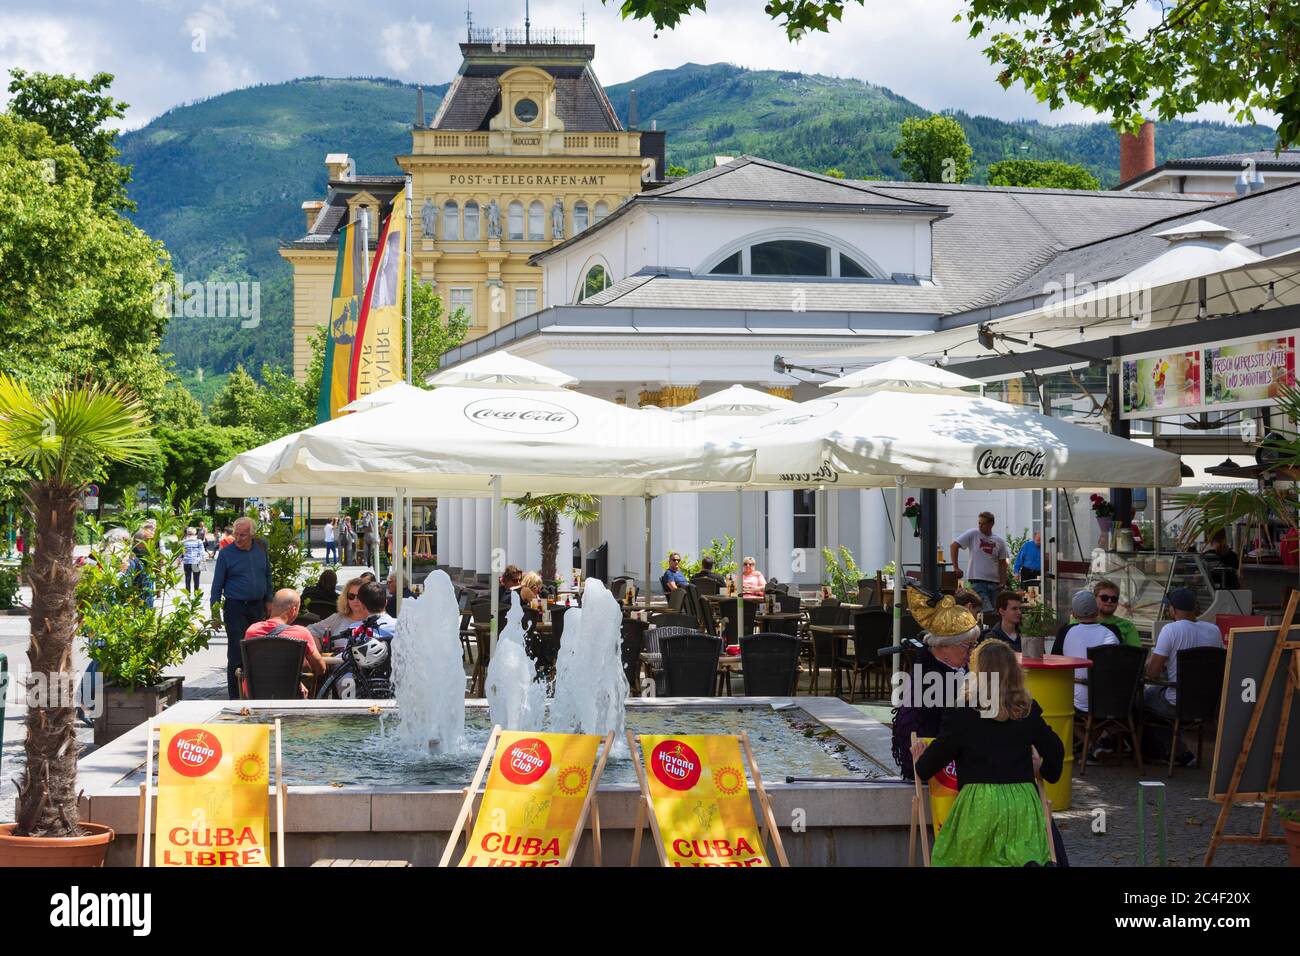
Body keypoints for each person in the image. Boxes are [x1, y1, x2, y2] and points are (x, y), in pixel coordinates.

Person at [910, 640, 1065, 867]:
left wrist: (919, 757)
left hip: (979, 804)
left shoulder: (962, 713)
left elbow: (927, 768)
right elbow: (1056, 751)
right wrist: (1042, 769)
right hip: (1021, 802)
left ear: (977, 672)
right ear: (1015, 672)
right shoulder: (1026, 710)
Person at [890, 589, 980, 780]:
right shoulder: (927, 678)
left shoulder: (959, 668)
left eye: (974, 645)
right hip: (935, 771)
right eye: (968, 646)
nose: (973, 652)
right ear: (944, 646)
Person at [1144, 587, 1223, 766]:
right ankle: (1179, 752)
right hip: (1206, 704)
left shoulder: (1170, 630)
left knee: (1141, 699)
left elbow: (1152, 672)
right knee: (1160, 696)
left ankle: (1171, 752)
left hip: (1177, 702)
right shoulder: (1214, 630)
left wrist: (1154, 661)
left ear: (1173, 609)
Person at [210, 516, 275, 699]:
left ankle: (255, 694)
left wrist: (269, 599)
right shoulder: (226, 553)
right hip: (235, 608)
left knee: (257, 651)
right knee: (236, 653)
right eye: (236, 534)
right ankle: (235, 696)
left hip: (257, 606)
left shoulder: (261, 547)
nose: (238, 538)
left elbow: (267, 575)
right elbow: (217, 586)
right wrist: (215, 614)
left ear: (252, 535)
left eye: (243, 535)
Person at [240, 589, 327, 698]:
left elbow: (266, 666)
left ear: (272, 606)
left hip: (254, 695)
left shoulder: (252, 630)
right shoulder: (301, 633)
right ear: (293, 610)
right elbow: (320, 669)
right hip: (290, 695)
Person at [1059, 590, 1119, 714]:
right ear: (1097, 611)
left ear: (1074, 614)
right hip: (1109, 701)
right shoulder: (1111, 633)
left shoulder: (1066, 633)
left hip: (1075, 700)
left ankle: (1083, 733)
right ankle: (1101, 732)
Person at [950, 511, 1009, 611]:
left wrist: (1002, 583)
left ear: (991, 524)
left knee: (996, 611)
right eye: (979, 523)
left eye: (983, 523)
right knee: (986, 611)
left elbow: (1003, 563)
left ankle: (988, 626)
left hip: (994, 584)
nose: (980, 526)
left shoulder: (999, 541)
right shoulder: (973, 534)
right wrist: (956, 567)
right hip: (977, 582)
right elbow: (954, 545)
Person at [308, 576, 371, 652]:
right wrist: (316, 650)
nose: (355, 600)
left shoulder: (375, 620)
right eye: (351, 596)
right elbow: (311, 629)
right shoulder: (339, 618)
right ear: (346, 598)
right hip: (338, 663)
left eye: (359, 596)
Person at [1093, 579, 1141, 648]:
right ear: (1094, 598)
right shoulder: (1082, 622)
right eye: (1104, 598)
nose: (1109, 601)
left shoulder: (1127, 626)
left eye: (1113, 599)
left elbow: (1136, 654)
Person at [128, 528, 155, 609]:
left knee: (149, 597)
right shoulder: (131, 550)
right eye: (147, 540)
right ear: (138, 540)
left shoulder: (148, 549)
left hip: (147, 576)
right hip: (137, 579)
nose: (150, 543)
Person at [181, 526, 205, 594]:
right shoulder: (199, 541)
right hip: (196, 562)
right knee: (196, 578)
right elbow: (202, 552)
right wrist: (202, 560)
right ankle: (196, 593)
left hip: (187, 562)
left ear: (187, 533)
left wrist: (179, 560)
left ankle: (187, 594)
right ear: (195, 533)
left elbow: (181, 552)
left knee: (187, 578)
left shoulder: (184, 542)